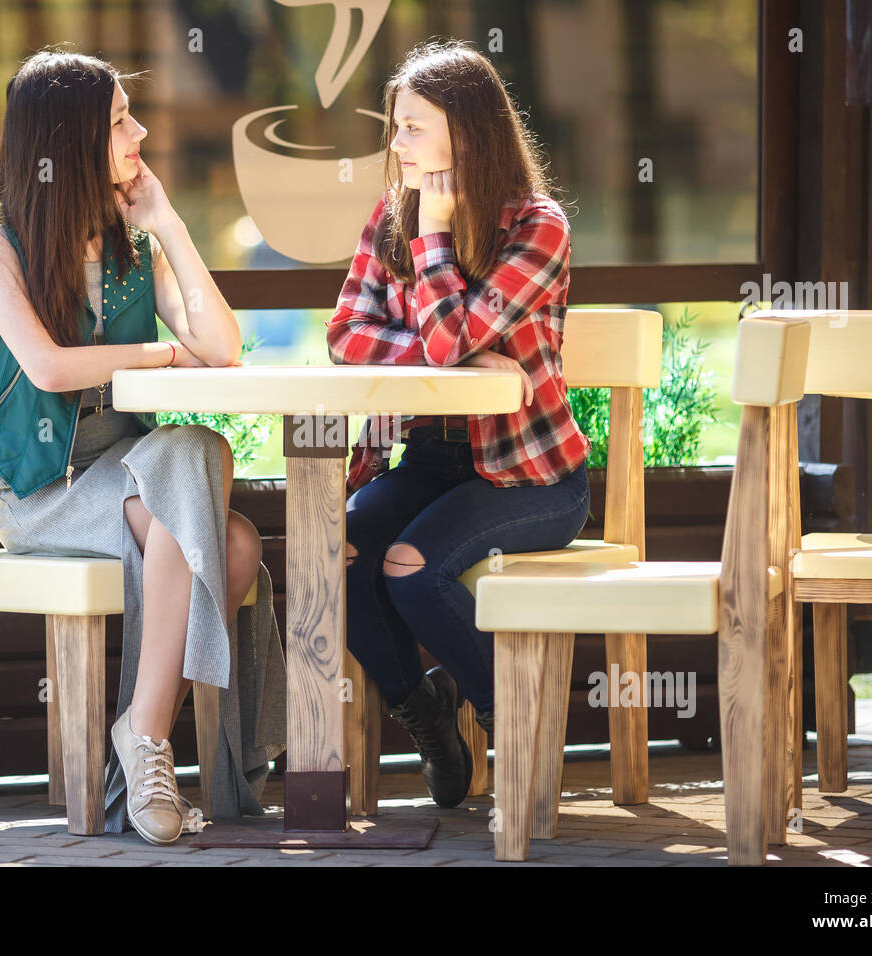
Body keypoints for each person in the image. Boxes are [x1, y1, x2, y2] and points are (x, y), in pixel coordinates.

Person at [0, 50, 285, 846]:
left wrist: (167, 221)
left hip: (128, 474)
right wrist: (163, 356)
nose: (141, 131)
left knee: (225, 531)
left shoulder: (128, 238)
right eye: (121, 119)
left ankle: (140, 730)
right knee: (221, 534)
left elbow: (223, 344)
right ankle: (145, 748)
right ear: (63, 140)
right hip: (42, 489)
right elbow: (50, 366)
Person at [325, 40, 592, 809]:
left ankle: (514, 720)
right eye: (396, 126)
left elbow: (446, 339)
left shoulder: (536, 226)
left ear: (465, 133)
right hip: (430, 460)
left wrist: (435, 236)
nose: (396, 143)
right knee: (335, 555)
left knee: (411, 565)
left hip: (531, 477)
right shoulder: (388, 215)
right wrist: (453, 364)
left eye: (413, 127)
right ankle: (427, 716)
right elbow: (346, 334)